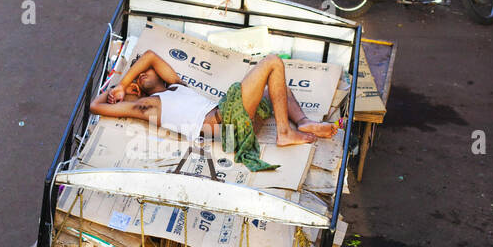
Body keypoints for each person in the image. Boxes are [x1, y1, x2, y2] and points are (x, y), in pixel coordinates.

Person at [90, 48, 337, 172]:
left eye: (144, 71)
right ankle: (284, 133)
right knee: (272, 61)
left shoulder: (177, 86)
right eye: (138, 78)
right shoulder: (148, 106)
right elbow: (95, 106)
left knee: (275, 86)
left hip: (237, 119)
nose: (142, 73)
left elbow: (151, 55)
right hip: (226, 122)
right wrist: (120, 88)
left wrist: (126, 82)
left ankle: (301, 121)